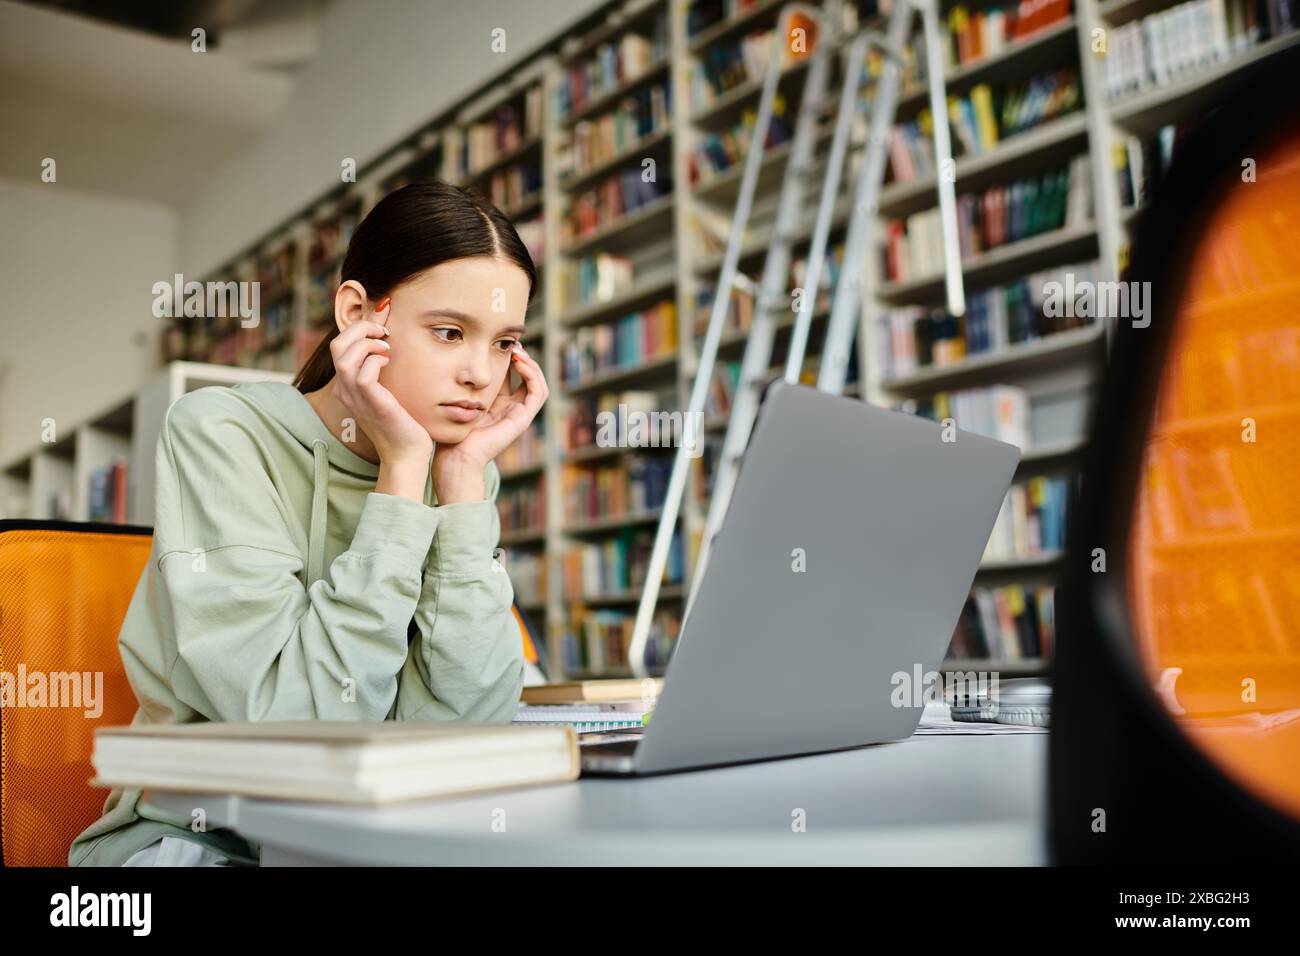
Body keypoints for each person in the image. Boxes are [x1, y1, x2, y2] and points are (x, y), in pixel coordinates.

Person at [68, 181, 548, 866]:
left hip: (383, 836)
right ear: (357, 314)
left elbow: (469, 731)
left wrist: (462, 481)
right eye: (449, 332)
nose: (481, 374)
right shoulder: (223, 433)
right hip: (204, 841)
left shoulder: (461, 472)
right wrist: (401, 473)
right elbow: (300, 732)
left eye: (505, 343)